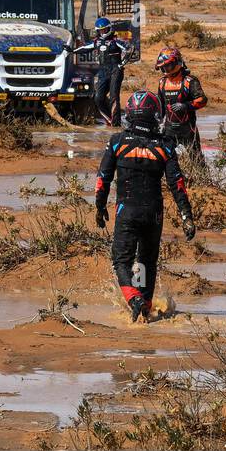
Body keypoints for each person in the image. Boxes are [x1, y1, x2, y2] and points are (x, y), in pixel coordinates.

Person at [94, 90, 195, 323]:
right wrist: (186, 217)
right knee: (146, 261)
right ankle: (146, 309)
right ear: (155, 114)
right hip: (154, 213)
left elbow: (103, 178)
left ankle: (134, 300)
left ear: (130, 113)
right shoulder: (166, 145)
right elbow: (177, 184)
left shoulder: (117, 141)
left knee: (121, 260)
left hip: (126, 210)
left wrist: (100, 208)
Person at [75, 16, 132, 126]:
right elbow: (84, 49)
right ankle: (110, 120)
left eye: (104, 30)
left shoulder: (116, 41)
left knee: (114, 97)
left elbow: (130, 50)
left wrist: (121, 64)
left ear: (109, 29)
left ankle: (116, 124)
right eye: (100, 30)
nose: (103, 32)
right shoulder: (96, 42)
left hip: (116, 70)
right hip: (102, 71)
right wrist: (71, 50)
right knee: (98, 98)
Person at [154, 46, 208, 154]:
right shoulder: (162, 82)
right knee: (163, 158)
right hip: (168, 129)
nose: (165, 70)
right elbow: (159, 105)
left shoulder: (189, 81)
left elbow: (202, 100)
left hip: (188, 129)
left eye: (168, 66)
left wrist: (185, 106)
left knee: (196, 160)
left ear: (177, 63)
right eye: (163, 68)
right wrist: (157, 123)